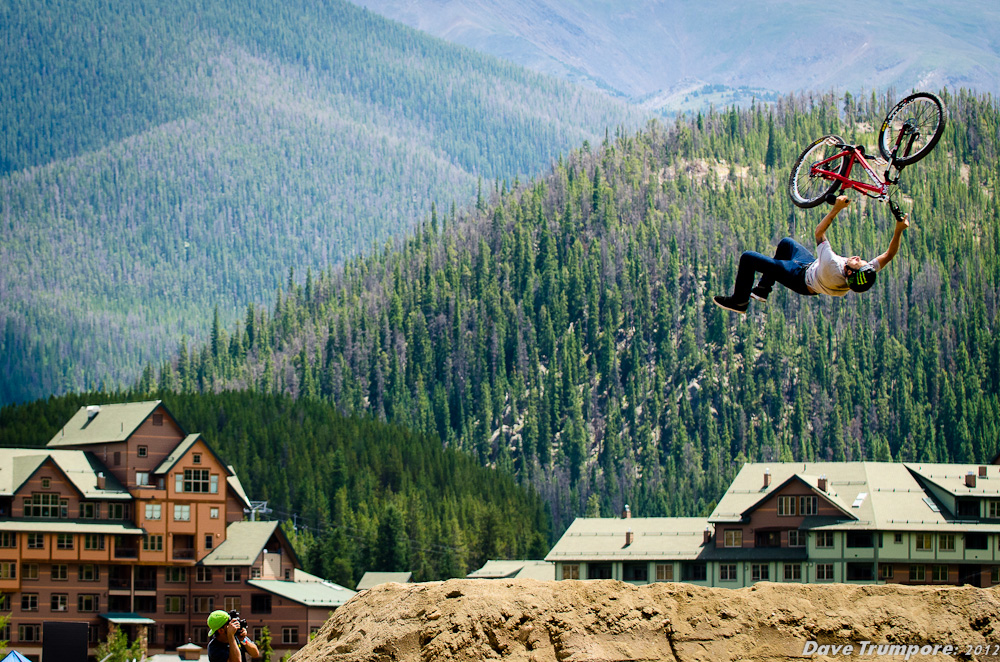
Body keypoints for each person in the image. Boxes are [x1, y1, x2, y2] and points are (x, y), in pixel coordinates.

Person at [713, 196, 909, 313]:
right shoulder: (861, 276)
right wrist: (899, 229)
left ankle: (740, 301)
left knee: (748, 257)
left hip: (800, 278)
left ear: (849, 272)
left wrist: (836, 209)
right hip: (811, 269)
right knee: (786, 244)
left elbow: (819, 232)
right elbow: (889, 254)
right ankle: (763, 289)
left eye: (857, 261)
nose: (858, 257)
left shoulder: (831, 265)